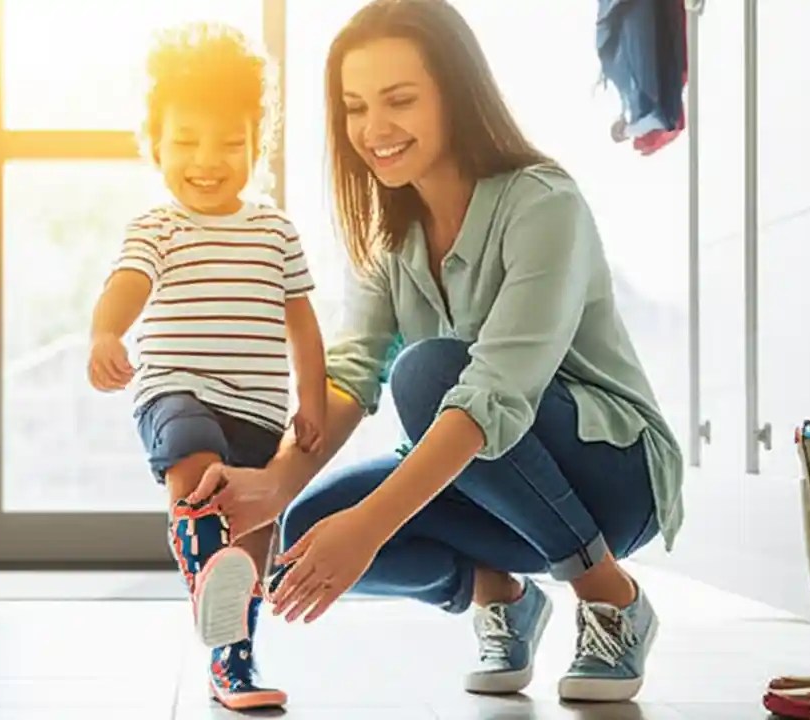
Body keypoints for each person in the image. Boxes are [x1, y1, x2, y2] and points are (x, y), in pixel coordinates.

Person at [189, 0, 685, 704]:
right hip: (502, 491)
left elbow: (495, 391)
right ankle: (502, 596)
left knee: (430, 375)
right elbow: (352, 373)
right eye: (356, 107)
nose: (374, 129)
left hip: (612, 478)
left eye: (400, 100)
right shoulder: (390, 235)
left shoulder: (544, 204)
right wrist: (272, 487)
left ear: (455, 94)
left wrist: (367, 528)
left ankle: (611, 598)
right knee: (305, 527)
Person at [86, 21, 325, 712]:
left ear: (258, 143)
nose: (208, 160)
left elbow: (302, 324)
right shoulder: (158, 227)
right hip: (177, 392)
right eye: (185, 141)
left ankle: (234, 663)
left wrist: (310, 401)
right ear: (155, 144)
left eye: (230, 143)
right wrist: (106, 332)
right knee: (193, 450)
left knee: (251, 546)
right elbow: (127, 284)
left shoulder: (276, 230)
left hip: (257, 413)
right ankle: (199, 556)